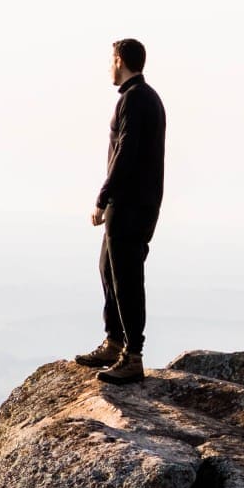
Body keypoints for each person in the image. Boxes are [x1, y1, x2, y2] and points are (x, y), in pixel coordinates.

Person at [74, 38, 166, 384]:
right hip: (135, 202)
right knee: (109, 268)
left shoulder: (135, 99)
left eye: (110, 60)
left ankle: (132, 356)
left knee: (126, 278)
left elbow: (125, 153)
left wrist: (103, 196)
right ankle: (114, 342)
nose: (109, 68)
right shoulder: (144, 97)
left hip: (130, 203)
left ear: (119, 60)